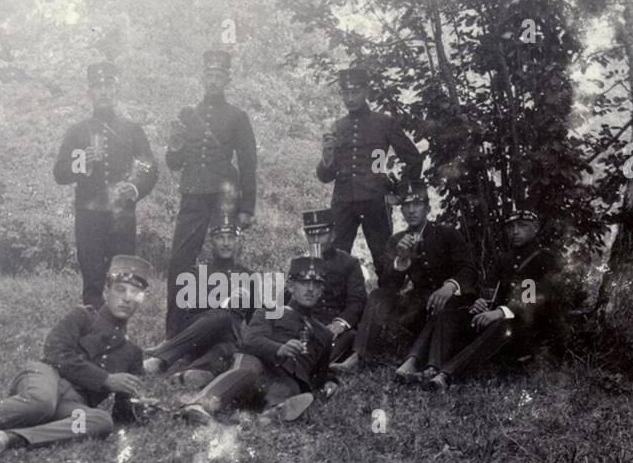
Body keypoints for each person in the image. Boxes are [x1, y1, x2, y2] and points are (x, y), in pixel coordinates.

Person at [0, 256, 154, 455]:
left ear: (141, 300)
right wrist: (105, 379)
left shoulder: (132, 353)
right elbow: (56, 353)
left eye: (135, 293)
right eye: (120, 289)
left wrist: (140, 408)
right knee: (42, 401)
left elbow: (122, 414)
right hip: (44, 376)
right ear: (107, 291)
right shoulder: (83, 316)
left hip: (72, 406)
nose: (127, 298)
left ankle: (9, 438)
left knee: (101, 421)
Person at [334, 181, 476, 379]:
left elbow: (468, 268)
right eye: (406, 206)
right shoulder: (396, 240)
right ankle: (358, 355)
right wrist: (401, 259)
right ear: (401, 211)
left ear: (427, 208)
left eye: (416, 205)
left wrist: (450, 286)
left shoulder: (446, 234)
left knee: (442, 304)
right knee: (377, 295)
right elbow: (387, 285)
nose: (411, 211)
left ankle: (414, 361)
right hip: (417, 304)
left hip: (450, 303)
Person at [163, 48, 257, 337]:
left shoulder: (237, 116)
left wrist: (247, 207)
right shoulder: (187, 115)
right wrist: (176, 144)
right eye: (210, 75)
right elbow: (174, 163)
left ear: (226, 79)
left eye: (219, 75)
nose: (214, 80)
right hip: (192, 193)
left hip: (224, 196)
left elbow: (248, 162)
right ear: (203, 77)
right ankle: (176, 332)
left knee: (224, 260)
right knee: (180, 261)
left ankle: (226, 330)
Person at [180, 256, 339, 426]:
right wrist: (279, 348)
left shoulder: (324, 334)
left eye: (316, 284)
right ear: (291, 286)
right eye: (304, 283)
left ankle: (264, 416)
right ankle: (199, 405)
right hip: (258, 366)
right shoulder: (269, 311)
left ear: (322, 290)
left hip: (286, 380)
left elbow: (319, 372)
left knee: (289, 389)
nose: (310, 289)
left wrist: (331, 381)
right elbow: (251, 340)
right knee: (250, 369)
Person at [53, 61, 158, 308]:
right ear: (90, 92)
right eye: (98, 87)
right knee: (91, 281)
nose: (103, 92)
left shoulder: (132, 130)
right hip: (88, 216)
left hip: (122, 216)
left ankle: (118, 335)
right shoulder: (76, 131)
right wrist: (81, 164)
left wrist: (133, 188)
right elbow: (59, 173)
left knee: (123, 279)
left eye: (108, 86)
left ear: (116, 90)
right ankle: (91, 336)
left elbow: (149, 168)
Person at [426, 208, 567, 388]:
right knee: (449, 313)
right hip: (501, 324)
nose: (515, 231)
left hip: (531, 330)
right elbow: (490, 291)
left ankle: (446, 375)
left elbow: (530, 301)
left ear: (536, 228)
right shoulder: (503, 259)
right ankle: (432, 367)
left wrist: (499, 312)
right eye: (511, 227)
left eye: (522, 226)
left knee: (502, 324)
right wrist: (482, 304)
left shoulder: (544, 259)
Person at [315, 66, 424, 266]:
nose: (350, 98)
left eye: (355, 92)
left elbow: (414, 159)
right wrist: (327, 157)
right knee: (334, 260)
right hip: (343, 203)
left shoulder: (383, 123)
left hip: (375, 202)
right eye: (345, 93)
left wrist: (400, 194)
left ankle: (387, 297)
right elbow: (325, 176)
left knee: (385, 259)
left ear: (365, 91)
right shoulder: (337, 127)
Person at [143, 215, 257, 386]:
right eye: (220, 238)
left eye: (231, 238)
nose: (226, 243)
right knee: (222, 317)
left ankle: (187, 371)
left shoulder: (249, 276)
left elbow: (255, 318)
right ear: (212, 242)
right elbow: (191, 306)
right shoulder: (199, 272)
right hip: (199, 334)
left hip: (228, 340)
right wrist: (225, 302)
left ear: (238, 241)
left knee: (228, 346)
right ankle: (161, 359)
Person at [297, 208, 366, 364]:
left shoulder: (349, 263)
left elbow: (357, 302)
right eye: (311, 234)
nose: (315, 240)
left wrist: (339, 324)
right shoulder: (300, 264)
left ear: (332, 235)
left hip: (334, 325)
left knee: (325, 352)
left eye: (321, 234)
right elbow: (290, 299)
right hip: (307, 324)